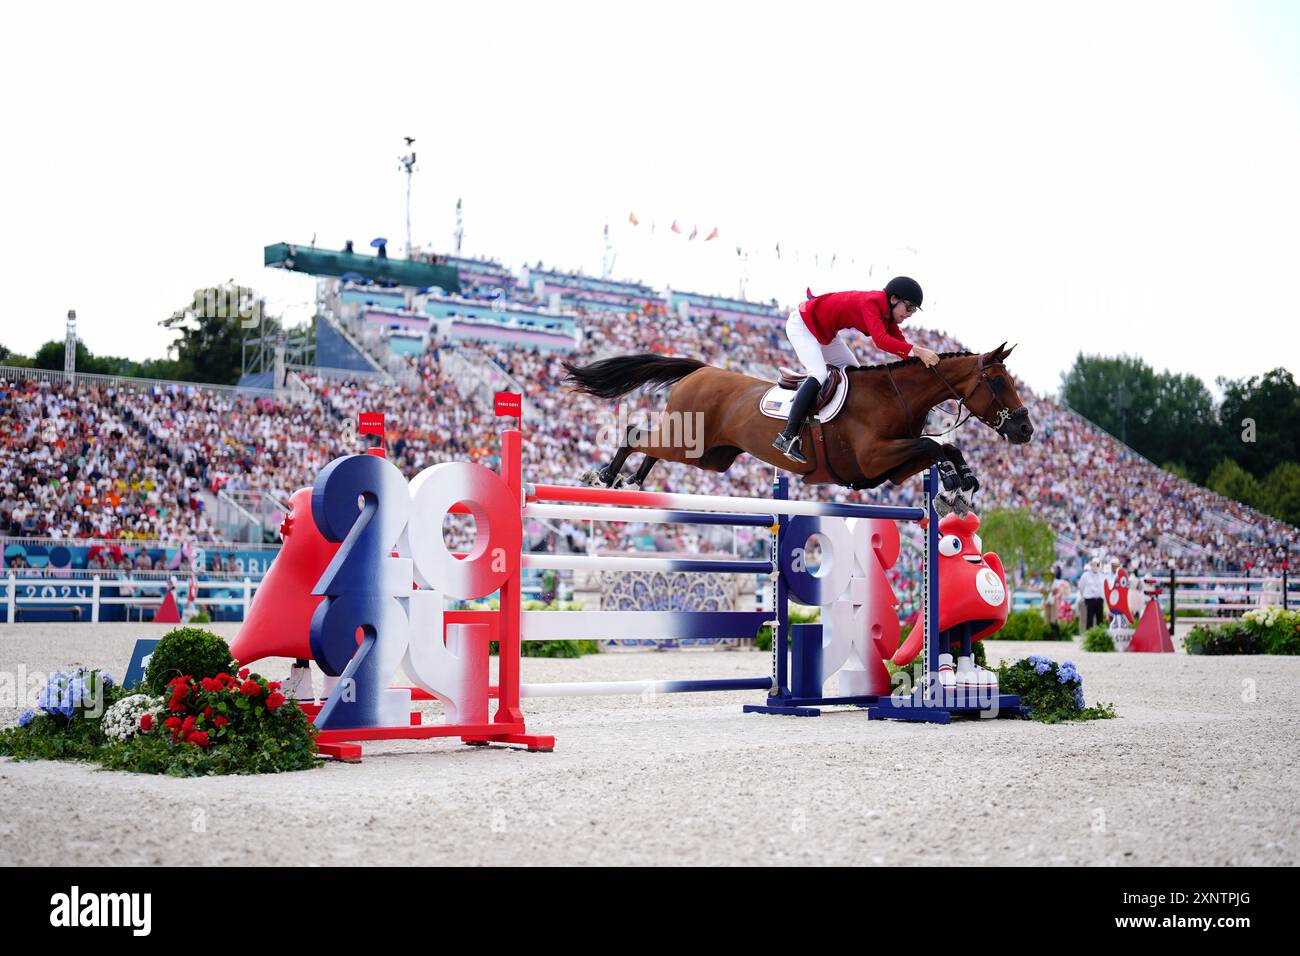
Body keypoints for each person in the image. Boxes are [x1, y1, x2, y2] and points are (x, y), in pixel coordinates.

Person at [772, 276, 941, 463]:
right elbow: (882, 341)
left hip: (825, 333)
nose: (910, 314)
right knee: (819, 374)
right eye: (909, 308)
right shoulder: (872, 303)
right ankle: (788, 436)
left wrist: (921, 361)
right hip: (803, 325)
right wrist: (918, 351)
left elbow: (901, 344)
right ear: (894, 299)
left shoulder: (887, 313)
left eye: (914, 310)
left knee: (854, 372)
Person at [1079, 558, 1106, 629]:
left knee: (1100, 619)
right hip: (1090, 600)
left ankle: (1100, 636)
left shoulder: (1102, 576)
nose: (1096, 566)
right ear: (1091, 565)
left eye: (1098, 564)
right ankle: (1089, 636)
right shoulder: (1085, 575)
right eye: (1094, 564)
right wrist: (1085, 596)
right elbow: (1081, 587)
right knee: (1089, 619)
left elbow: (1104, 588)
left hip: (1099, 600)